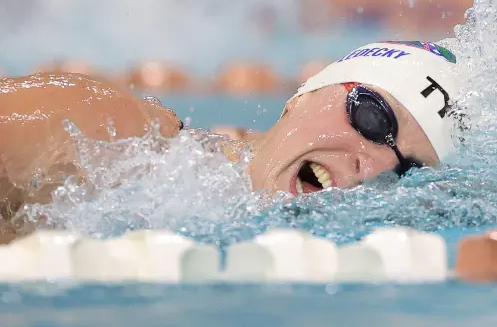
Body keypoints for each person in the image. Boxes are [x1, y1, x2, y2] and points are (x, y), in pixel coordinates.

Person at [0, 41, 465, 237]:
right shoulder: (105, 135)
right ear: (303, 95)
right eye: (372, 117)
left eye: (409, 172)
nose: (377, 167)